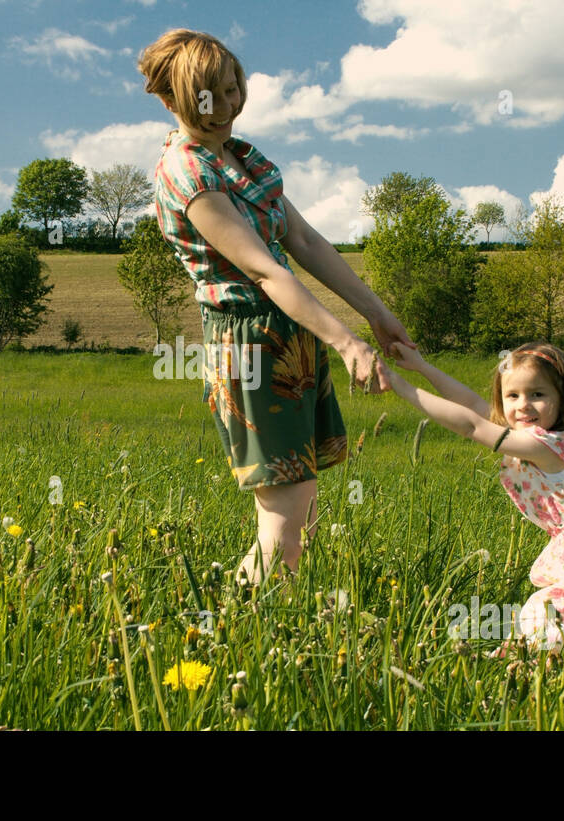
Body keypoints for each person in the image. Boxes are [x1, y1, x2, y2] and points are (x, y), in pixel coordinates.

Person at [137, 29, 418, 587]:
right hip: (251, 346)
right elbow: (264, 270)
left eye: (230, 89)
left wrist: (376, 313)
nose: (222, 108)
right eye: (204, 98)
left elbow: (305, 242)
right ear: (170, 102)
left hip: (292, 330)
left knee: (298, 512)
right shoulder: (188, 172)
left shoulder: (240, 157)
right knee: (286, 521)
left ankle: (256, 625)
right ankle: (240, 631)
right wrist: (347, 341)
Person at [383, 341, 564, 653]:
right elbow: (474, 406)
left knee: (548, 621)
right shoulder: (563, 437)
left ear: (562, 398)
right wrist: (423, 367)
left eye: (538, 394)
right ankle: (549, 671)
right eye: (512, 395)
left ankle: (530, 671)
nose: (523, 405)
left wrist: (400, 386)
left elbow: (471, 424)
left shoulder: (546, 446)